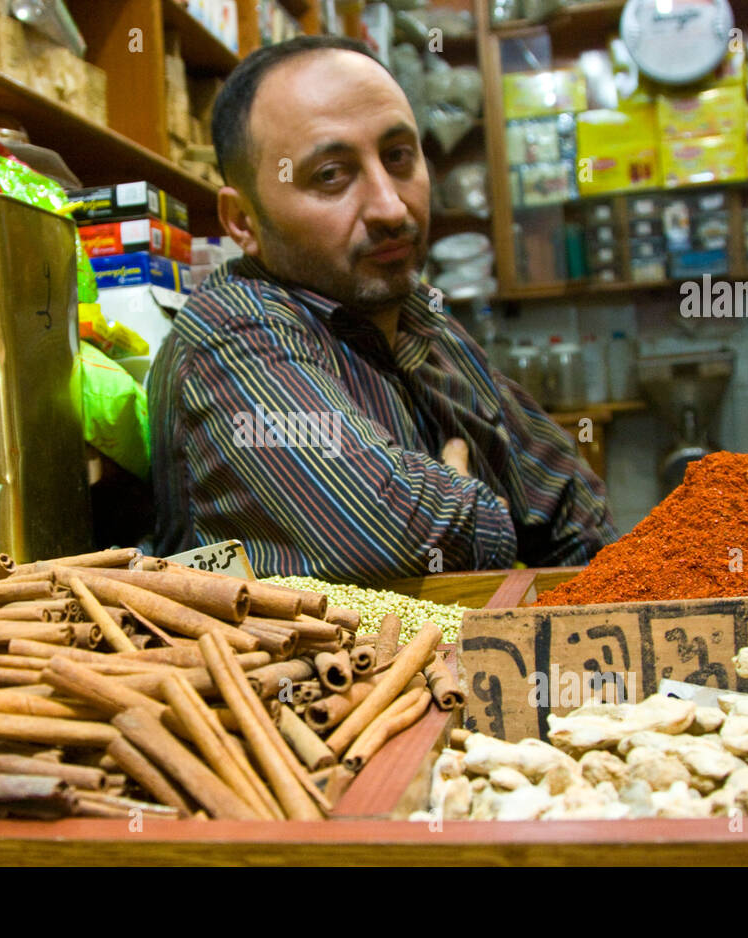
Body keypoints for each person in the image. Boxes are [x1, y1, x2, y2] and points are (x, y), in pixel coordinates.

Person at [148, 34, 617, 581]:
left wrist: (458, 497)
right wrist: (477, 503)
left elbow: (573, 508)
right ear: (242, 222)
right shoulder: (231, 331)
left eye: (397, 157)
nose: (391, 207)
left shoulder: (416, 312)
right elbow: (397, 536)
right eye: (330, 175)